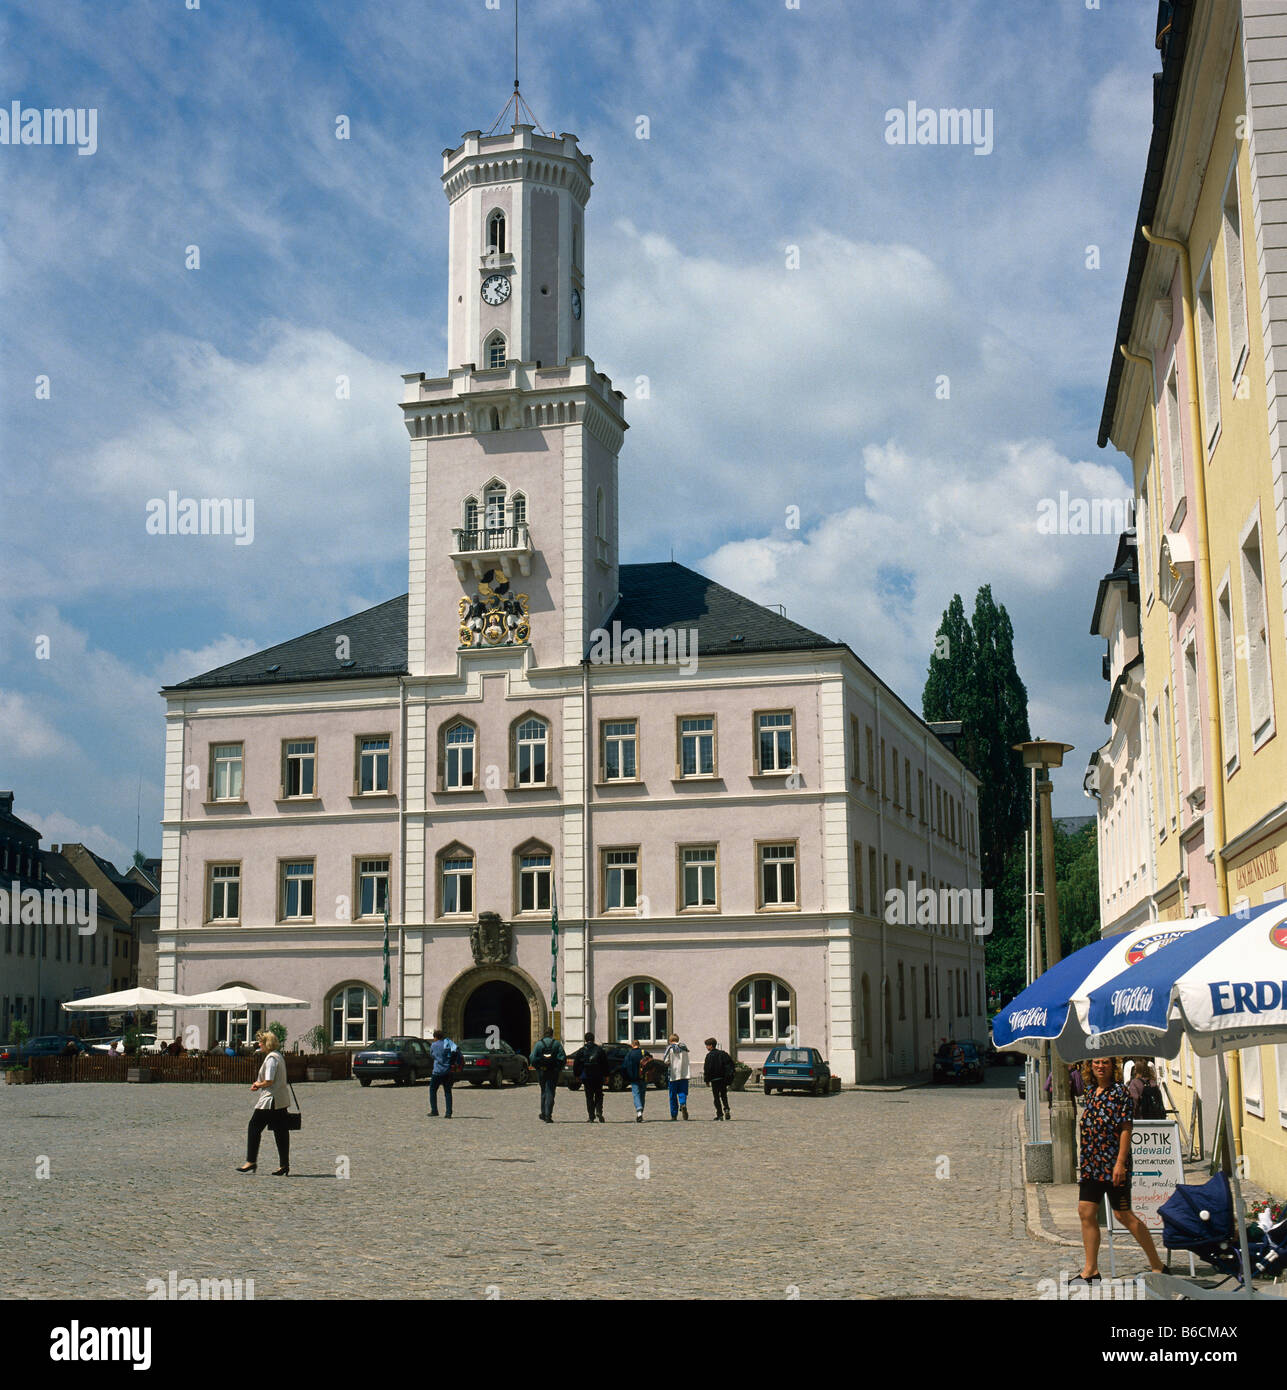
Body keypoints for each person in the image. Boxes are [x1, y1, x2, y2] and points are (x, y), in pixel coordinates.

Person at [1074, 1056, 1164, 1283]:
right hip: (1091, 1164)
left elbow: (1126, 1128)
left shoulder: (1120, 1092)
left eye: (1104, 1062)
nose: (1100, 1066)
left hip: (1114, 1164)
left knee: (1122, 1214)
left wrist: (1120, 1163)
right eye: (1096, 1063)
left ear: (1112, 1066)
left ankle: (1157, 1265)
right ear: (1090, 1066)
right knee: (1085, 1211)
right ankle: (1090, 1270)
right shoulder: (1091, 1092)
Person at [238, 1030, 291, 1176]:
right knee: (281, 1132)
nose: (259, 1044)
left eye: (261, 1041)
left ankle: (251, 1161)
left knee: (254, 1127)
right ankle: (284, 1165)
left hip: (270, 1100)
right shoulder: (279, 1056)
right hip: (280, 1100)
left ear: (267, 1043)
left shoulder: (271, 1059)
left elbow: (269, 1081)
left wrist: (257, 1084)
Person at [529, 1026, 565, 1123]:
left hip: (542, 1071)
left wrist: (537, 1067)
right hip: (553, 1071)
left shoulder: (539, 1044)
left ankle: (544, 1113)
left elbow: (532, 1058)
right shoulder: (557, 1044)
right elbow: (563, 1058)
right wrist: (558, 1068)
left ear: (544, 1034)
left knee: (544, 1091)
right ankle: (548, 1114)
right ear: (552, 1034)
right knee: (551, 1091)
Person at [571, 1031, 607, 1123]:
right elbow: (605, 1063)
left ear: (585, 1040)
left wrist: (577, 1075)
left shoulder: (582, 1050)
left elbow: (576, 1064)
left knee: (589, 1096)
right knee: (599, 1094)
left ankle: (591, 1116)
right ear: (593, 1039)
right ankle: (599, 1110)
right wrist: (606, 1075)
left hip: (586, 1076)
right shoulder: (599, 1050)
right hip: (598, 1076)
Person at [427, 1029, 459, 1118]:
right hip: (447, 1071)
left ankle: (434, 1110)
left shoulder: (434, 1045)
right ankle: (448, 1113)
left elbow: (432, 1055)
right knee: (448, 1092)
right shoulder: (448, 1044)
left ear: (435, 1037)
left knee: (433, 1090)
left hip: (437, 1071)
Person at [703, 1037, 734, 1120]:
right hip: (723, 1078)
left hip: (714, 1079)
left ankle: (720, 1114)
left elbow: (707, 1069)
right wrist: (729, 1078)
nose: (706, 1047)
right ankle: (726, 1109)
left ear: (710, 1046)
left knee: (716, 1097)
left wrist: (707, 1080)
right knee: (724, 1095)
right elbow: (730, 1065)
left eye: (707, 1046)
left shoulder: (709, 1056)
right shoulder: (723, 1054)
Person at [623, 1039, 652, 1122]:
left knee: (636, 1094)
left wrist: (626, 1077)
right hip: (643, 1077)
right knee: (642, 1095)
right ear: (639, 1045)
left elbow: (624, 1066)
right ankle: (640, 1113)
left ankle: (639, 1111)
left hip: (634, 1078)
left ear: (632, 1045)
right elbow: (651, 1062)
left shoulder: (629, 1054)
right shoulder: (644, 1052)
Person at [663, 1033, 691, 1120]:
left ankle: (674, 1114)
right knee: (682, 1092)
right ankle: (683, 1104)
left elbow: (666, 1061)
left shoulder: (670, 1049)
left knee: (673, 1096)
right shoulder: (684, 1048)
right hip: (684, 1074)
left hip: (673, 1075)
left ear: (670, 1040)